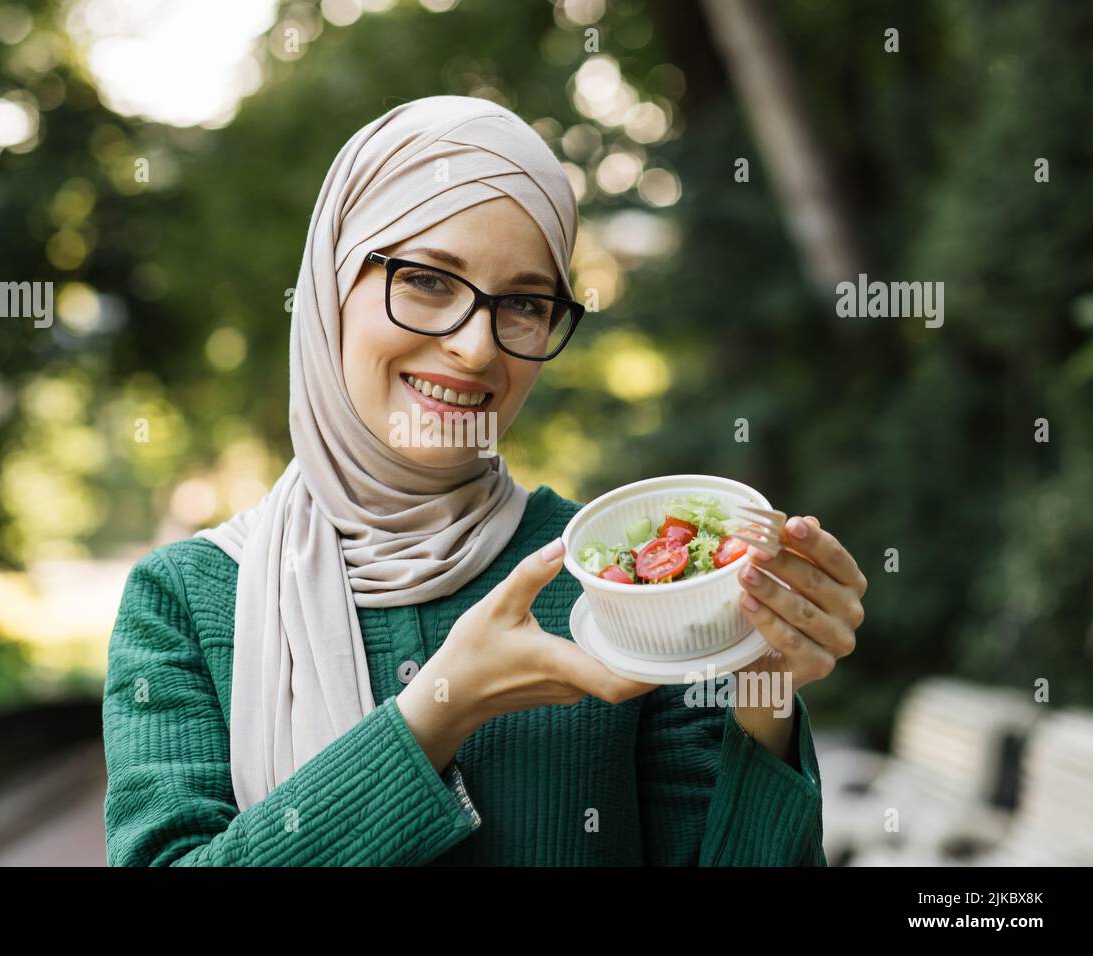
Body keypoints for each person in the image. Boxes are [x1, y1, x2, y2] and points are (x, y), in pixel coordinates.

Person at [101, 95, 867, 866]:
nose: (475, 348)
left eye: (524, 303)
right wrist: (438, 711)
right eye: (430, 281)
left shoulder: (611, 584)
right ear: (334, 285)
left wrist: (763, 681)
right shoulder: (186, 600)